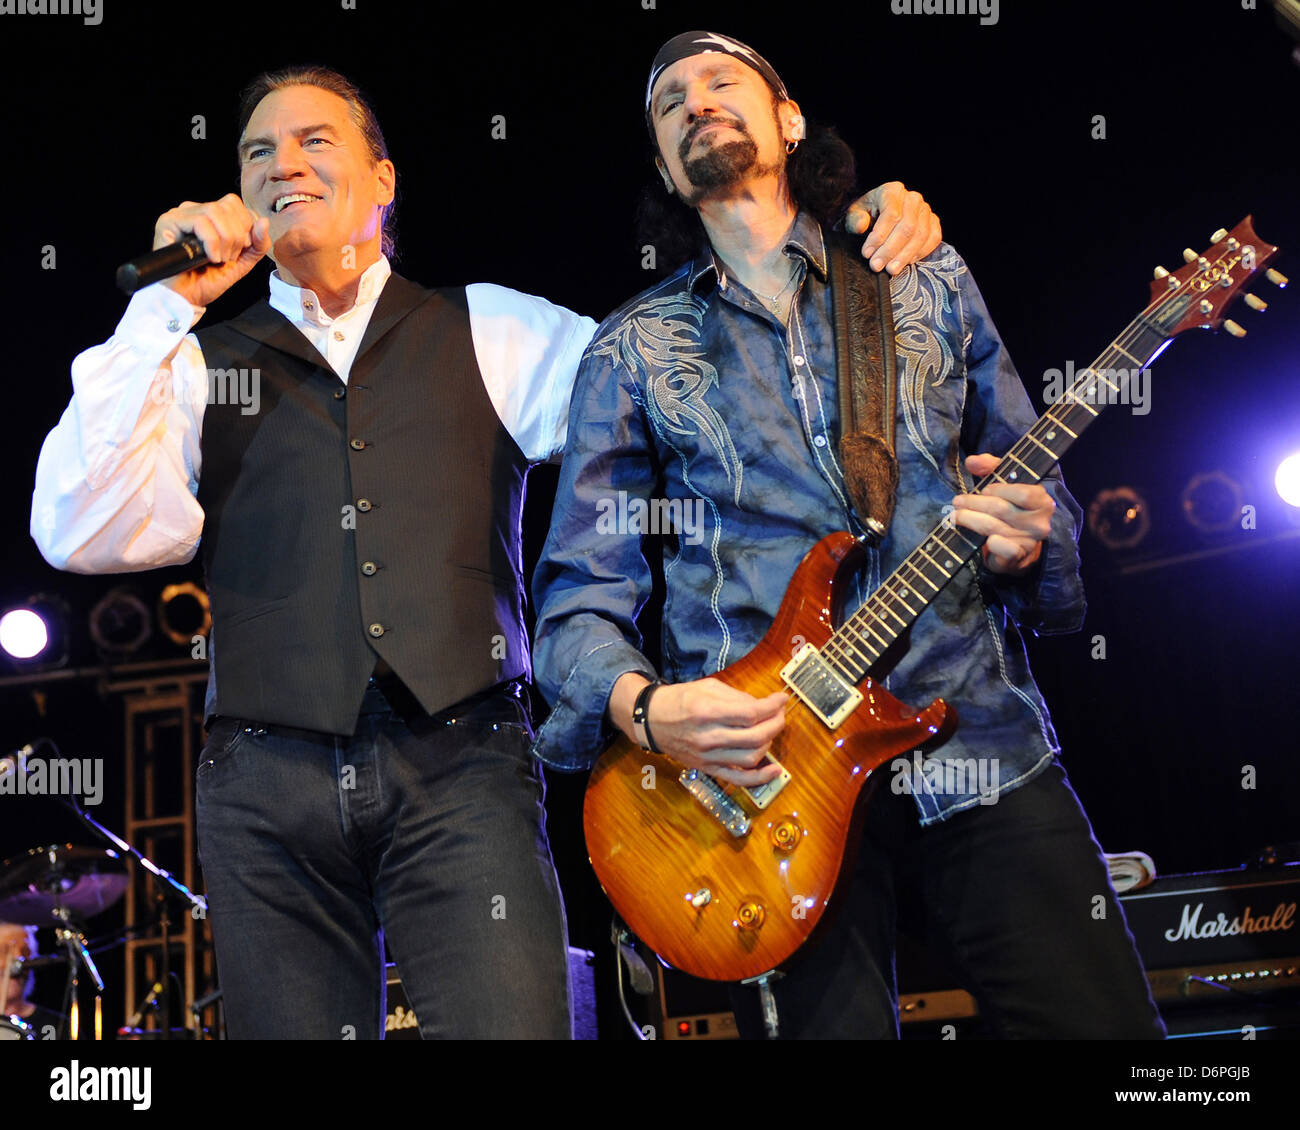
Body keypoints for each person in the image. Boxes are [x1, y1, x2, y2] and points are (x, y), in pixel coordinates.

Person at [29, 64, 939, 1039]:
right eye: (257, 152)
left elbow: (699, 410)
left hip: (462, 766)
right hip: (264, 785)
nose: (280, 164)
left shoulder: (494, 328)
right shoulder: (196, 365)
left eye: (312, 141)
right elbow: (74, 527)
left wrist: (837, 235)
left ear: (382, 180)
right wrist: (167, 307)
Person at [530, 30, 1166, 1039]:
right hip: (758, 781)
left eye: (723, 81)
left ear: (788, 121)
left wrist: (1029, 538)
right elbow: (575, 600)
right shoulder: (631, 350)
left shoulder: (922, 276)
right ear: (661, 163)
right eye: (669, 102)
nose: (697, 101)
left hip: (977, 733)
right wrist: (647, 710)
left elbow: (1029, 480)